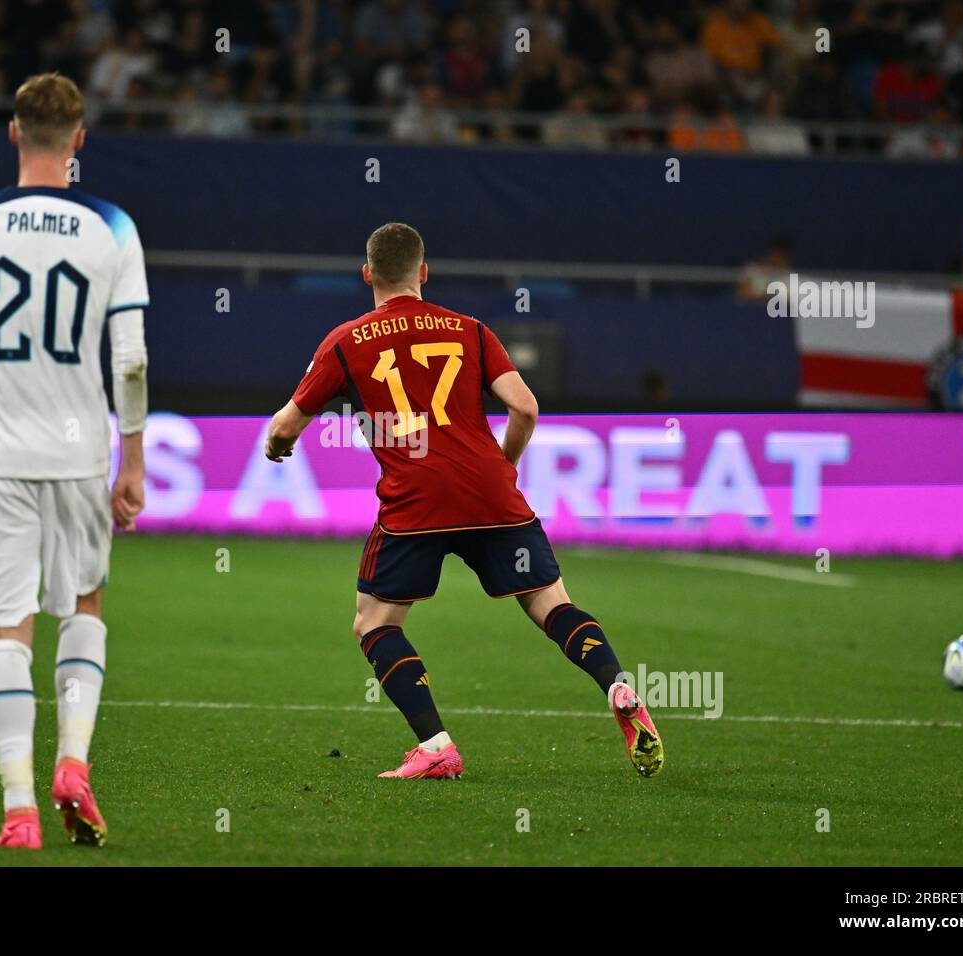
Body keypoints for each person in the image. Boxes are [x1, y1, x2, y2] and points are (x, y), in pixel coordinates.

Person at [263, 222, 664, 780]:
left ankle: (436, 746)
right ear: (424, 273)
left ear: (367, 274)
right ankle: (618, 684)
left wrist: (275, 447)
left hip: (417, 503)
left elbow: (287, 426)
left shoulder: (347, 340)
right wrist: (504, 467)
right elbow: (525, 408)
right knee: (551, 604)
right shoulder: (470, 330)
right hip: (491, 493)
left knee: (374, 622)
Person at [0, 73, 149, 848]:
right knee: (83, 609)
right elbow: (130, 361)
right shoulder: (112, 227)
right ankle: (74, 762)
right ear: (80, 140)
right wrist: (133, 457)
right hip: (81, 457)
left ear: (14, 133)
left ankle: (20, 809)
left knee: (6, 631)